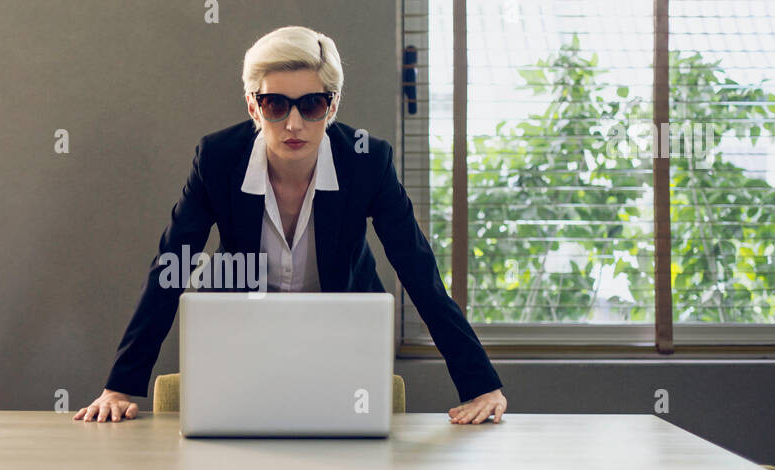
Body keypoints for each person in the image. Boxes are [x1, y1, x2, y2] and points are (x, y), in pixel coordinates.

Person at [74, 26, 507, 425]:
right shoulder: (218, 158)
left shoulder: (367, 161)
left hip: (341, 349)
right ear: (253, 106)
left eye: (312, 104)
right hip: (241, 345)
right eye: (276, 105)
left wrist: (480, 384)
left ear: (332, 105)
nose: (294, 124)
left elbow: (416, 267)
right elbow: (172, 267)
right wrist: (120, 386)